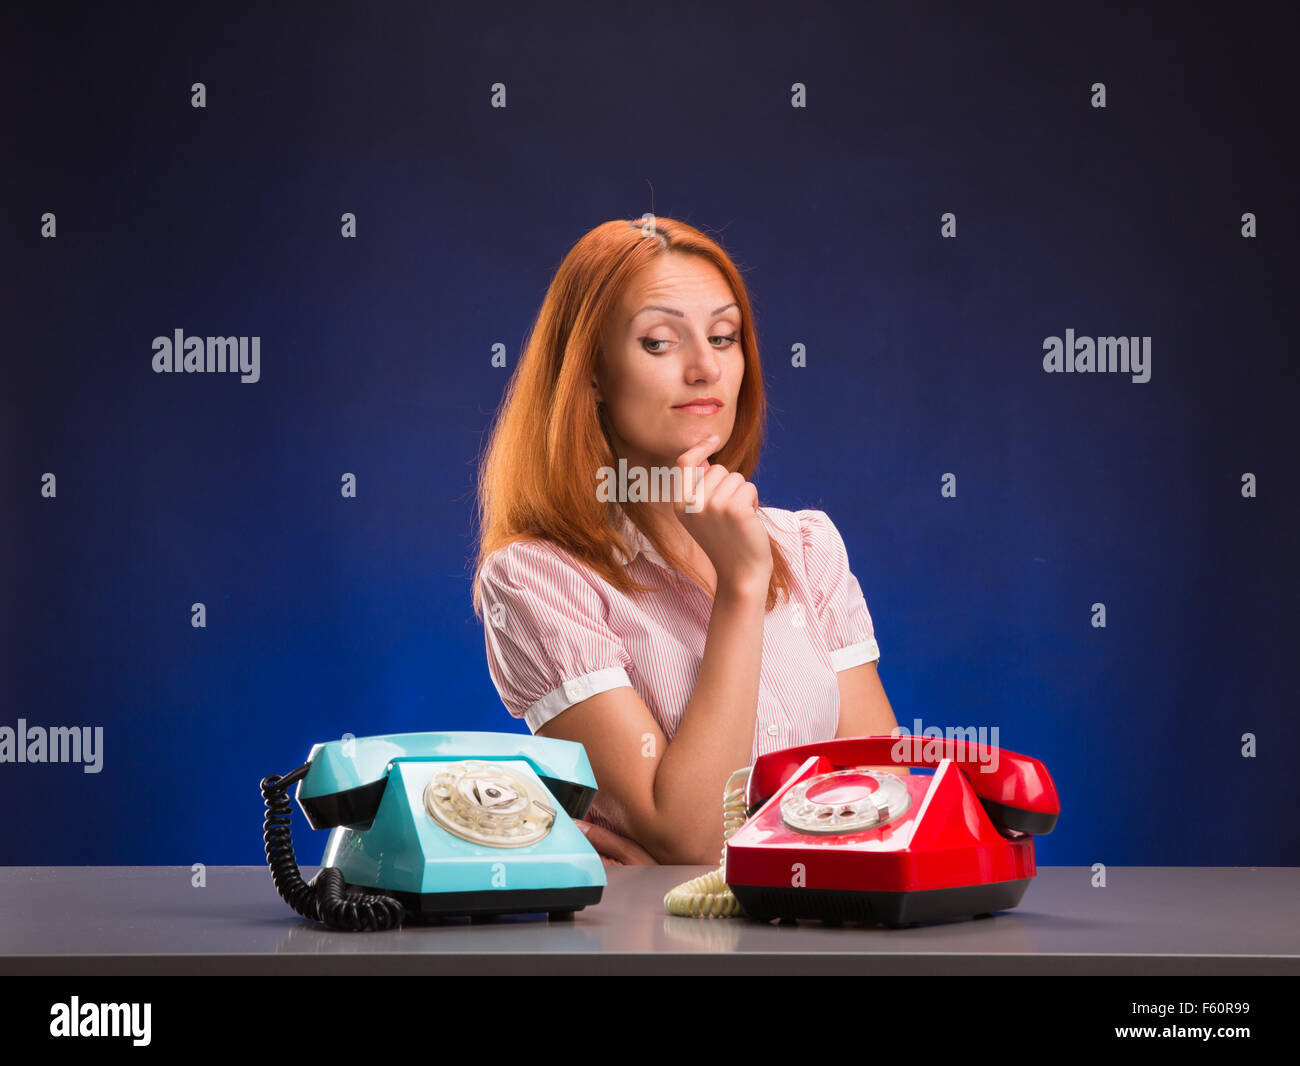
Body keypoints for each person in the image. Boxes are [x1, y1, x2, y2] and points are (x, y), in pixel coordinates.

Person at [471, 216, 901, 866]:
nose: (705, 368)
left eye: (724, 337)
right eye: (659, 342)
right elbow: (694, 834)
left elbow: (882, 806)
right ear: (589, 373)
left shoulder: (810, 548)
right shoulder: (536, 579)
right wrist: (740, 586)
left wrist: (708, 861)